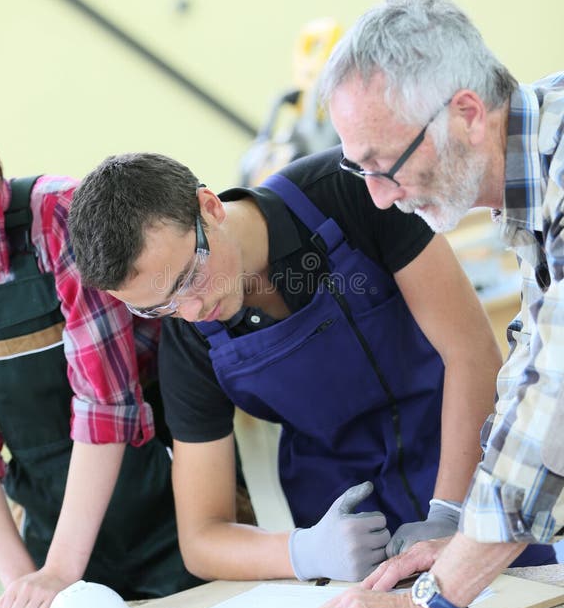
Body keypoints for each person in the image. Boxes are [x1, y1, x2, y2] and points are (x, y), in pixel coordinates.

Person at [68, 143, 501, 584]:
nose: (192, 311)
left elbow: (472, 352)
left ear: (209, 207)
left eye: (188, 278)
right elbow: (201, 539)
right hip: (347, 522)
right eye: (157, 308)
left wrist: (452, 511)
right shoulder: (189, 339)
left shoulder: (352, 190)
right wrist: (304, 552)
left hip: (467, 465)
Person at [315, 0, 564, 608]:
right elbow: (532, 370)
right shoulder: (531, 182)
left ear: (467, 114)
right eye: (357, 170)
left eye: (385, 166)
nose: (379, 196)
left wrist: (437, 598)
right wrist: (460, 533)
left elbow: (556, 410)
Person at [0, 108, 198, 608]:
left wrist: (60, 571)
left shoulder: (57, 215)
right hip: (51, 526)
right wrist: (26, 586)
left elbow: (106, 402)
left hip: (166, 507)